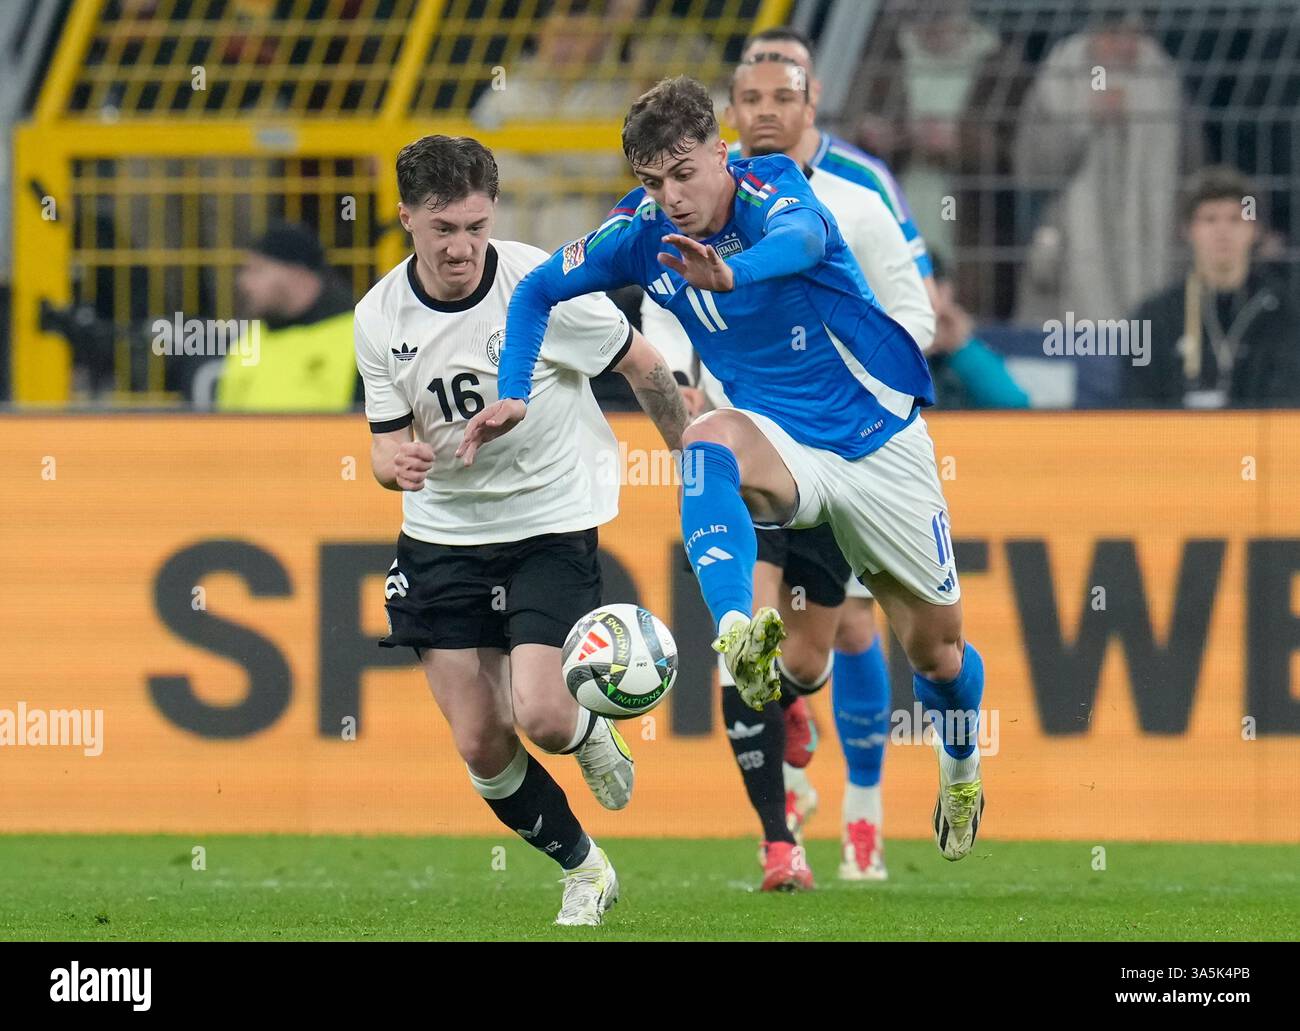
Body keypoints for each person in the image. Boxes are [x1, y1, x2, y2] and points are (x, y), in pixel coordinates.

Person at [461, 78, 988, 890]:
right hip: (779, 441)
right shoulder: (638, 234)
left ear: (720, 151)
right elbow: (536, 289)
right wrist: (513, 387)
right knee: (703, 440)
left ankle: (959, 767)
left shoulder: (773, 183)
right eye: (651, 182)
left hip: (879, 440)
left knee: (938, 651)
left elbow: (808, 241)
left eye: (683, 173)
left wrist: (734, 276)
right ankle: (740, 630)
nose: (669, 198)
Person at [354, 135, 688, 927]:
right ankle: (585, 866)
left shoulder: (544, 283)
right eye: (442, 228)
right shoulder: (378, 316)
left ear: (492, 212)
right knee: (480, 741)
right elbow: (380, 440)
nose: (462, 245)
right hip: (439, 535)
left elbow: (642, 364)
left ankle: (588, 728)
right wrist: (388, 463)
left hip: (549, 521)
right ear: (406, 218)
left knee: (541, 713)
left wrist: (693, 459)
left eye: (475, 224)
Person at [640, 53, 936, 885]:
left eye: (784, 94)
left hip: (849, 446)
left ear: (813, 102)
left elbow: (913, 314)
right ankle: (781, 839)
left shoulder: (855, 197)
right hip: (754, 448)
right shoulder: (693, 200)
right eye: (751, 97)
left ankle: (864, 807)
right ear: (726, 114)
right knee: (744, 634)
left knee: (830, 644)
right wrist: (680, 383)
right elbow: (662, 306)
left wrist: (869, 396)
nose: (767, 109)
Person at [1124, 166, 1300, 408]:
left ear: (1255, 229)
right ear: (1187, 230)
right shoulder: (1155, 318)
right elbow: (1138, 403)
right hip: (1176, 443)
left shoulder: (1286, 314)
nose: (1222, 231)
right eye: (1209, 219)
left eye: (1235, 219)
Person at [214, 224, 357, 411]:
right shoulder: (251, 339)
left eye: (257, 270)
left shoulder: (359, 335)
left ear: (297, 273)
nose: (244, 282)